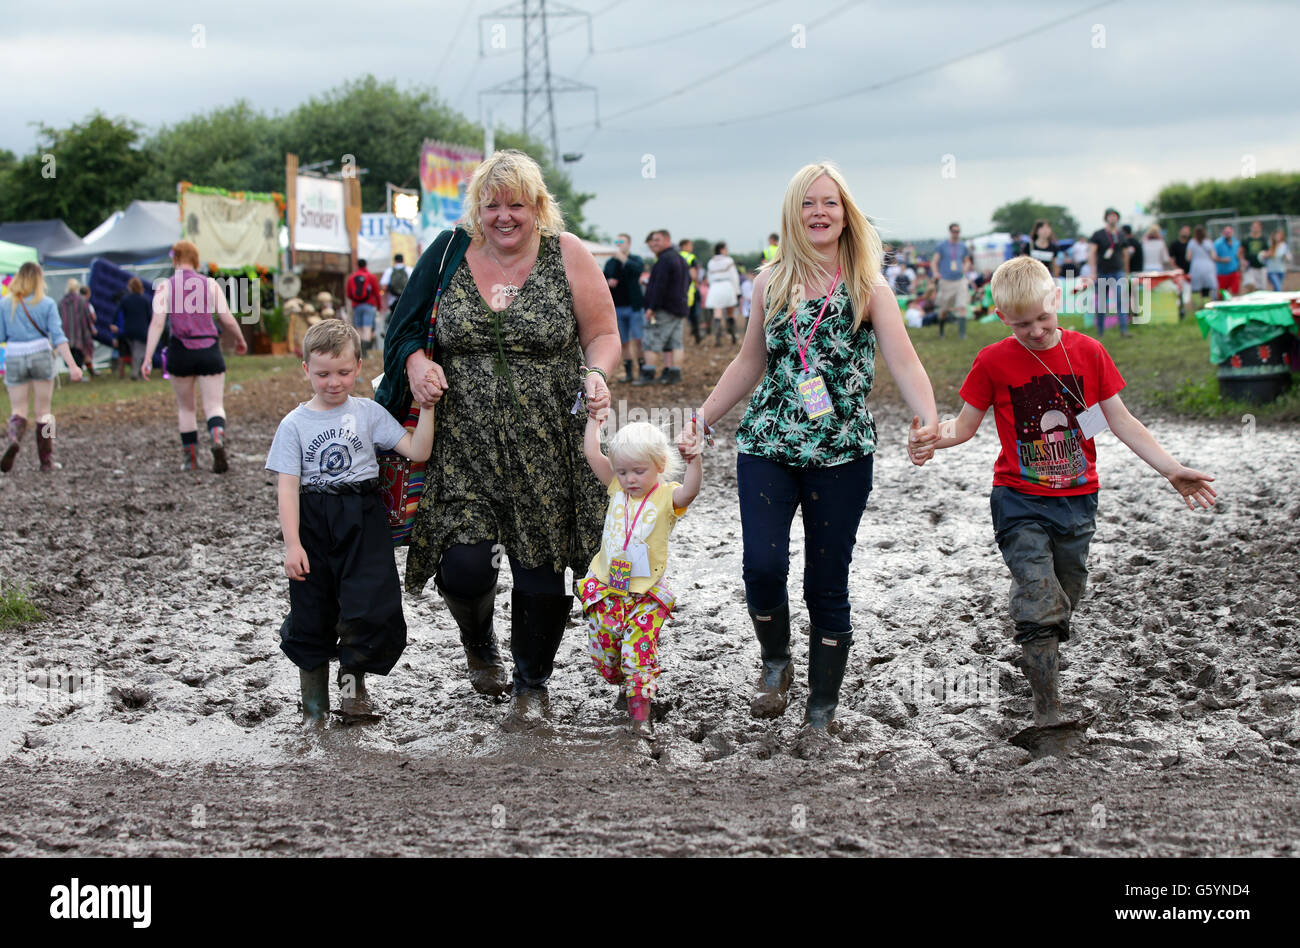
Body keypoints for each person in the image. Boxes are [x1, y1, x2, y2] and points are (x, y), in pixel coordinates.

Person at [681, 162, 939, 735]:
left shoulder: (869, 288)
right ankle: (776, 661)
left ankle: (822, 703)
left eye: (830, 203)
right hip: (768, 442)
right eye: (807, 203)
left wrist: (928, 418)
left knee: (827, 583)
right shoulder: (770, 282)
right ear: (792, 215)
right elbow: (751, 359)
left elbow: (904, 361)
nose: (819, 213)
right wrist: (702, 417)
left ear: (846, 214)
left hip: (842, 453)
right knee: (762, 565)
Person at [914, 256, 1216, 727]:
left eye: (1043, 318)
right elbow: (966, 425)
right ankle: (1047, 712)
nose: (1035, 331)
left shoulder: (1090, 352)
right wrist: (934, 437)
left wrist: (1171, 469)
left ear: (1057, 301)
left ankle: (1040, 631)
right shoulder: (992, 361)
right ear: (1002, 319)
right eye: (1022, 325)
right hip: (1018, 499)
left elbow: (1120, 420)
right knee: (1039, 600)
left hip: (1078, 501)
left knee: (1067, 592)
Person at [376, 149, 618, 729]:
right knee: (464, 567)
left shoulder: (568, 254)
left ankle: (532, 682)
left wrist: (597, 374)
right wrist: (413, 365)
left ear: (538, 207)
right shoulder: (447, 254)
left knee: (541, 570)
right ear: (476, 209)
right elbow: (403, 330)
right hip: (464, 445)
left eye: (517, 205)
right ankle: (479, 641)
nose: (504, 217)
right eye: (492, 206)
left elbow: (604, 333)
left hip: (548, 443)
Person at [267, 320, 435, 726]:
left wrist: (427, 409)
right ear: (305, 369)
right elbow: (287, 489)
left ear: (359, 366)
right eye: (323, 373)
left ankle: (352, 690)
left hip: (363, 518)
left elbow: (416, 449)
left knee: (368, 605)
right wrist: (293, 545)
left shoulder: (368, 413)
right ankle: (313, 706)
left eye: (343, 372)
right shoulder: (294, 425)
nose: (333, 382)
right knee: (312, 611)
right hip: (313, 522)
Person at [579, 419, 701, 738]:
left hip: (645, 595)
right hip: (608, 588)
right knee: (607, 660)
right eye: (622, 471)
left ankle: (640, 715)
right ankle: (626, 685)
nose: (629, 479)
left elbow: (691, 491)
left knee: (639, 652)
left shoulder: (666, 497)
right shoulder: (617, 487)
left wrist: (694, 461)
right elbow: (593, 455)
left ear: (658, 465)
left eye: (638, 471)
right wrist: (595, 420)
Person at [142, 240, 248, 472]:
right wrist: (240, 340)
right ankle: (217, 436)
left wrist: (148, 357)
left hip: (180, 352)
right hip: (209, 350)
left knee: (186, 409)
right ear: (196, 259)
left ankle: (190, 459)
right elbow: (227, 318)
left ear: (175, 259)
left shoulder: (165, 287)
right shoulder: (210, 285)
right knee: (214, 406)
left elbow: (157, 323)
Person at [0, 262, 84, 472]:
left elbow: (1, 336)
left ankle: (13, 438)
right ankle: (46, 460)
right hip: (40, 354)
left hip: (14, 355)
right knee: (45, 412)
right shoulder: (46, 303)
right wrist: (73, 366)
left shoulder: (5, 304)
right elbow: (58, 337)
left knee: (18, 409)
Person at [634, 229, 689, 386]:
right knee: (675, 343)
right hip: (679, 307)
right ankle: (674, 373)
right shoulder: (680, 259)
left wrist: (651, 307)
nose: (653, 243)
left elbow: (659, 286)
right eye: (652, 241)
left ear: (667, 240)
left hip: (664, 308)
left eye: (657, 240)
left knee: (650, 341)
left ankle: (648, 373)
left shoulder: (664, 260)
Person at [605, 233, 645, 382]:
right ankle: (628, 372)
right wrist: (609, 281)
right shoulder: (611, 262)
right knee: (624, 341)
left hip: (634, 306)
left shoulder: (636, 259)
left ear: (629, 243)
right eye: (617, 241)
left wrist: (622, 257)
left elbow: (637, 270)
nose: (619, 244)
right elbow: (603, 277)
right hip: (618, 307)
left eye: (622, 241)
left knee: (639, 340)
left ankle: (642, 370)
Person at [1087, 208, 1129, 338]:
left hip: (1118, 271)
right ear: (1106, 218)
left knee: (1120, 299)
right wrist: (1093, 271)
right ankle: (1100, 331)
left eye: (1115, 216)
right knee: (1101, 303)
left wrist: (1126, 272)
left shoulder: (1121, 235)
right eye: (1110, 216)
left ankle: (1123, 330)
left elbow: (1125, 254)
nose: (1113, 218)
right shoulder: (1098, 234)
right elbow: (1092, 253)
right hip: (1102, 272)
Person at [931, 223, 972, 338]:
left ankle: (962, 334)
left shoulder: (963, 246)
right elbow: (934, 261)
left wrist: (966, 267)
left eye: (958, 231)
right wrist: (935, 272)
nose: (956, 233)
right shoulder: (942, 246)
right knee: (943, 309)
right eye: (954, 231)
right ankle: (941, 332)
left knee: (962, 306)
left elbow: (967, 260)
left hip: (960, 280)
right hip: (946, 281)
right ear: (950, 232)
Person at [705, 241, 742, 345]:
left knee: (717, 313)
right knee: (730, 312)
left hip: (715, 287)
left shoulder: (710, 262)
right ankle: (733, 336)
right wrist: (737, 291)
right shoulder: (729, 261)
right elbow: (734, 276)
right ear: (722, 249)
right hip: (727, 286)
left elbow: (709, 277)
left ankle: (717, 337)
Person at [58, 279, 96, 380]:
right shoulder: (82, 300)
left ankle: (74, 374)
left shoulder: (62, 302)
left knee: (71, 354)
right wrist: (91, 327)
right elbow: (88, 316)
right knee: (81, 353)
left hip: (66, 333)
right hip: (80, 332)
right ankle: (78, 375)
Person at [116, 277, 152, 380]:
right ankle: (135, 372)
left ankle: (138, 371)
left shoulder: (125, 299)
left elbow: (118, 312)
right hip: (142, 329)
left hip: (129, 330)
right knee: (139, 351)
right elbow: (149, 315)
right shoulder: (144, 299)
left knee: (135, 350)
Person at [345, 259, 382, 357]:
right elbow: (376, 293)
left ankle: (359, 353)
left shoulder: (351, 277)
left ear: (357, 265)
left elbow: (348, 294)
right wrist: (378, 306)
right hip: (369, 305)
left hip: (356, 306)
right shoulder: (371, 276)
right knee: (367, 328)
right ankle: (365, 353)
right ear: (366, 265)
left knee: (359, 328)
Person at [1186, 226, 1218, 301]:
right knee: (1207, 286)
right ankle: (1207, 302)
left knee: (1196, 288)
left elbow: (1188, 257)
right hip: (1208, 267)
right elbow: (1213, 256)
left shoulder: (1192, 242)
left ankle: (1197, 305)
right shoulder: (1208, 242)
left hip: (1196, 266)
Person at [679, 238, 701, 344]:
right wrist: (697, 284)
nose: (691, 248)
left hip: (678, 290)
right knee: (693, 315)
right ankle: (696, 336)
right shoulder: (690, 257)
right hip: (690, 290)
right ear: (684, 246)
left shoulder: (677, 257)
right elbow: (693, 274)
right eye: (690, 245)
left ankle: (681, 338)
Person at [1212, 225, 1242, 297]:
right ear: (1223, 233)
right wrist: (1222, 259)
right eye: (1226, 232)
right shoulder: (1217, 243)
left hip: (1234, 272)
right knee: (1221, 294)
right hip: (1222, 273)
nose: (1227, 234)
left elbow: (1239, 256)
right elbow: (1213, 257)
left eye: (1229, 232)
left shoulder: (1236, 243)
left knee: (1235, 293)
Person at [1240, 220, 1269, 292]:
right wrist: (1242, 260)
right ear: (1251, 228)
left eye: (1257, 227)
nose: (1255, 228)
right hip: (1250, 267)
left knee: (1261, 288)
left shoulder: (1263, 239)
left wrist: (1265, 255)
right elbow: (1240, 252)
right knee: (1250, 284)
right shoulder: (1246, 239)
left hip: (1261, 266)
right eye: (1254, 227)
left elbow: (1268, 251)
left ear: (1260, 228)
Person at [1264, 228, 1291, 292]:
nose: (1277, 237)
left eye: (1279, 235)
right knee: (1278, 287)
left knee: (1277, 288)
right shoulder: (1269, 244)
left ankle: (1275, 300)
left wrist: (1286, 257)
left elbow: (1289, 256)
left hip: (1281, 270)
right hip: (1271, 270)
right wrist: (1266, 255)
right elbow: (1262, 255)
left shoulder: (1284, 245)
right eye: (1276, 235)